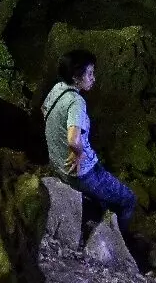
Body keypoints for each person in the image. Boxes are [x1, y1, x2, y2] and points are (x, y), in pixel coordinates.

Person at [42, 49, 137, 237]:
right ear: (77, 78)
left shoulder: (57, 89)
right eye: (90, 73)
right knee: (128, 200)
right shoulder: (76, 102)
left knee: (101, 201)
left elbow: (43, 109)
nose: (93, 78)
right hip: (82, 172)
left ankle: (95, 226)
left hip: (58, 165)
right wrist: (77, 152)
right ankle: (121, 245)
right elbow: (73, 139)